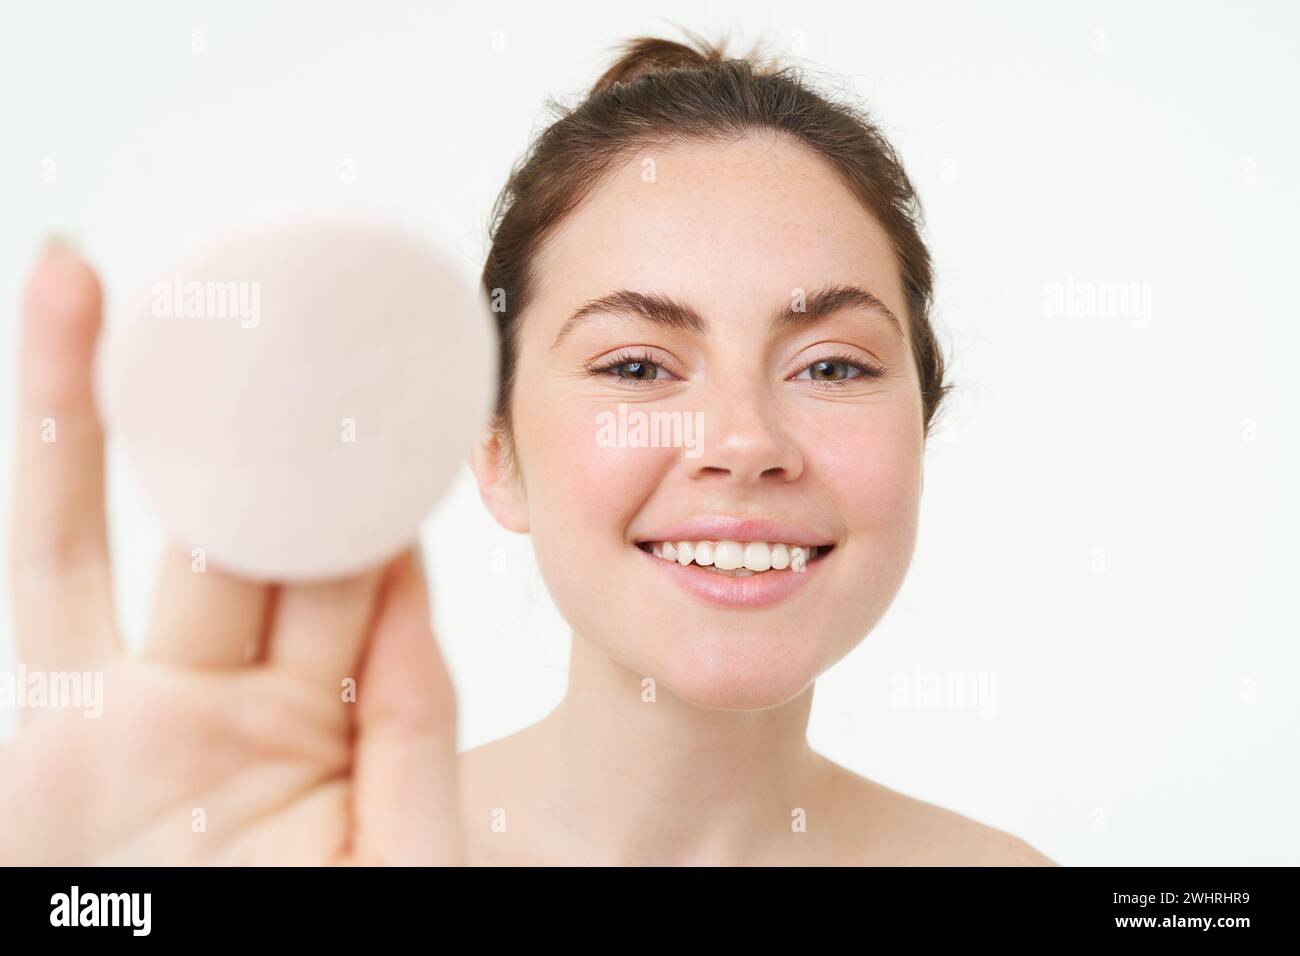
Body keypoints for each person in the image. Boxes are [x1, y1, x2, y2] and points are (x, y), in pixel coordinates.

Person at [0, 31, 1056, 866]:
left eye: (829, 366)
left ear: (920, 426)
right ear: (495, 448)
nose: (744, 441)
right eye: (637, 366)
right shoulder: (301, 852)